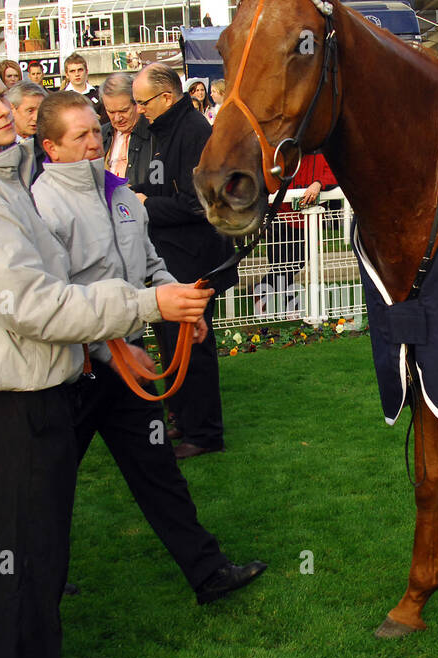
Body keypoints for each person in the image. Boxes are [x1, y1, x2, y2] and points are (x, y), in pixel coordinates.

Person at [0, 44, 214, 658]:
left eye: (1, 95)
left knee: (30, 558)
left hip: (38, 390)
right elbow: (40, 304)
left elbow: (52, 286)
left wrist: (121, 324)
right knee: (23, 561)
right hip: (12, 402)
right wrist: (145, 308)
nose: (3, 110)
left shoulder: (0, 174)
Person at [31, 91, 266, 603]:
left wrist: (184, 311)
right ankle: (34, 579)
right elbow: (55, 300)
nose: (95, 141)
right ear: (50, 147)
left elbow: (149, 262)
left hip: (127, 362)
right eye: (81, 136)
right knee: (47, 487)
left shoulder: (119, 193)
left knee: (158, 471)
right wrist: (111, 349)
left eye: (97, 130)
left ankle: (208, 573)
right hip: (73, 372)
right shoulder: (43, 206)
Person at [131, 63, 235, 459]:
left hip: (193, 259)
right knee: (173, 343)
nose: (139, 110)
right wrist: (137, 193)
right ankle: (183, 419)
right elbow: (163, 187)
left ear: (166, 97)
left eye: (143, 102)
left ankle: (205, 434)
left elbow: (197, 203)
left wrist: (146, 205)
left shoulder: (193, 133)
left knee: (194, 347)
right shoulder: (163, 130)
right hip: (171, 258)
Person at [255, 151, 335, 316]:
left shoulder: (320, 153)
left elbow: (334, 173)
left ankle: (260, 292)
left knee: (295, 264)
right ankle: (290, 305)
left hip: (305, 220)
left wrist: (318, 183)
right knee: (279, 264)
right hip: (279, 216)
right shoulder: (285, 152)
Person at [99, 72, 148, 184]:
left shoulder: (154, 134)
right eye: (111, 112)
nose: (117, 118)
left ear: (137, 103)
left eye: (123, 111)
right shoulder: (99, 135)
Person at [62, 53, 105, 122]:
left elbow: (106, 123)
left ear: (86, 71)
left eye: (80, 70)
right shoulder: (61, 97)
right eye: (72, 71)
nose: (77, 74)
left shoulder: (99, 94)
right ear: (67, 74)